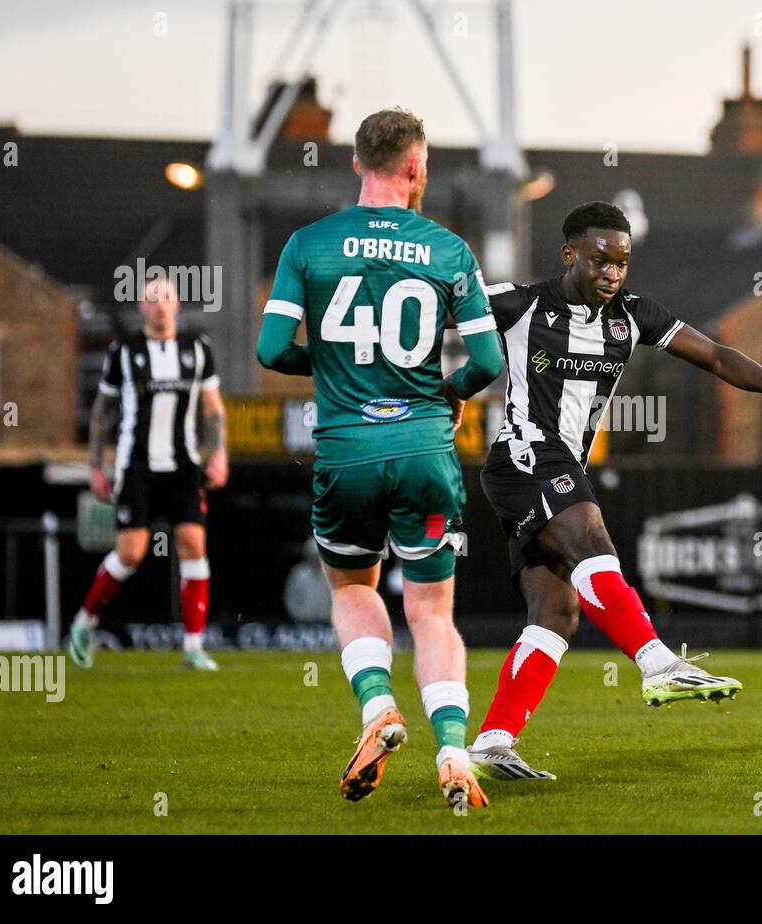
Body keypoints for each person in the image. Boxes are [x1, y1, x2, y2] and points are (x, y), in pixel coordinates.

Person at [467, 201, 762, 781]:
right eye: (600, 260)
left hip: (555, 465)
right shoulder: (520, 302)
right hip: (524, 456)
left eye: (623, 262)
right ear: (569, 255)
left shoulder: (633, 316)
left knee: (557, 614)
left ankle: (493, 740)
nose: (613, 273)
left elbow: (713, 354)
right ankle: (658, 662)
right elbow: (435, 313)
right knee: (591, 539)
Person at [256, 107, 503, 810]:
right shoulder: (450, 249)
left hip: (347, 453)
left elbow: (271, 350)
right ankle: (455, 752)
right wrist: (447, 391)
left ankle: (376, 710)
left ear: (357, 162)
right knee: (430, 613)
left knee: (353, 590)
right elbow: (486, 360)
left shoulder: (308, 245)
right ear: (417, 167)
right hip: (424, 447)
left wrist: (333, 369)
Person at [69, 278, 227, 671]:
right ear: (142, 307)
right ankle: (84, 623)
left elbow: (213, 408)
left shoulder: (196, 349)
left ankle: (193, 646)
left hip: (183, 464)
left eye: (167, 298)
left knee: (193, 542)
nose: (160, 306)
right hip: (135, 465)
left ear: (177, 304)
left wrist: (220, 453)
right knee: (132, 553)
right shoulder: (123, 351)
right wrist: (95, 466)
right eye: (153, 300)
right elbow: (103, 413)